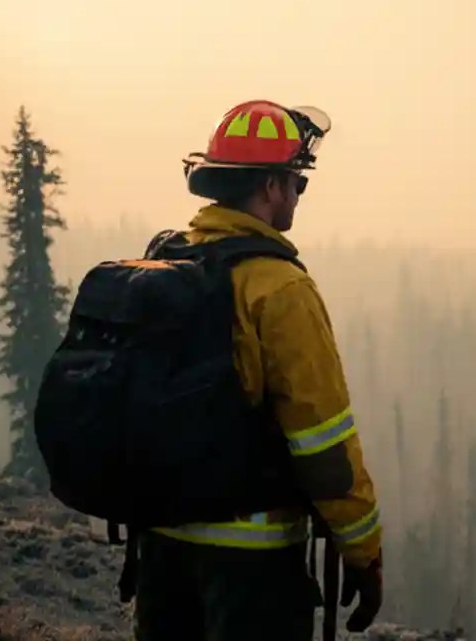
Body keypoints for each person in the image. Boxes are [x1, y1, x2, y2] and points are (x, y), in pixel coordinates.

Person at [132, 100, 383, 641]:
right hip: (251, 568)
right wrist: (362, 549)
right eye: (297, 181)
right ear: (270, 186)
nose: (297, 194)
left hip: (160, 547)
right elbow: (324, 443)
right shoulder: (281, 288)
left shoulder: (168, 265)